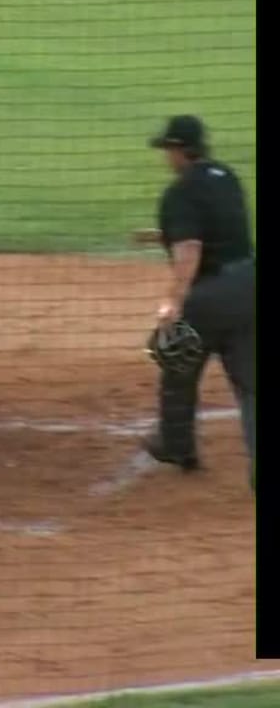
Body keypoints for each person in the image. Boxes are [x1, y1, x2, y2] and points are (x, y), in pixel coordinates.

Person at [134, 115, 255, 489]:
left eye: (168, 150)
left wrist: (173, 303)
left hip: (207, 296)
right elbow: (219, 229)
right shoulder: (226, 177)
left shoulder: (179, 192)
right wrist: (161, 236)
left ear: (179, 150)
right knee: (252, 383)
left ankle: (176, 444)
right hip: (249, 286)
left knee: (177, 361)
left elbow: (191, 249)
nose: (166, 158)